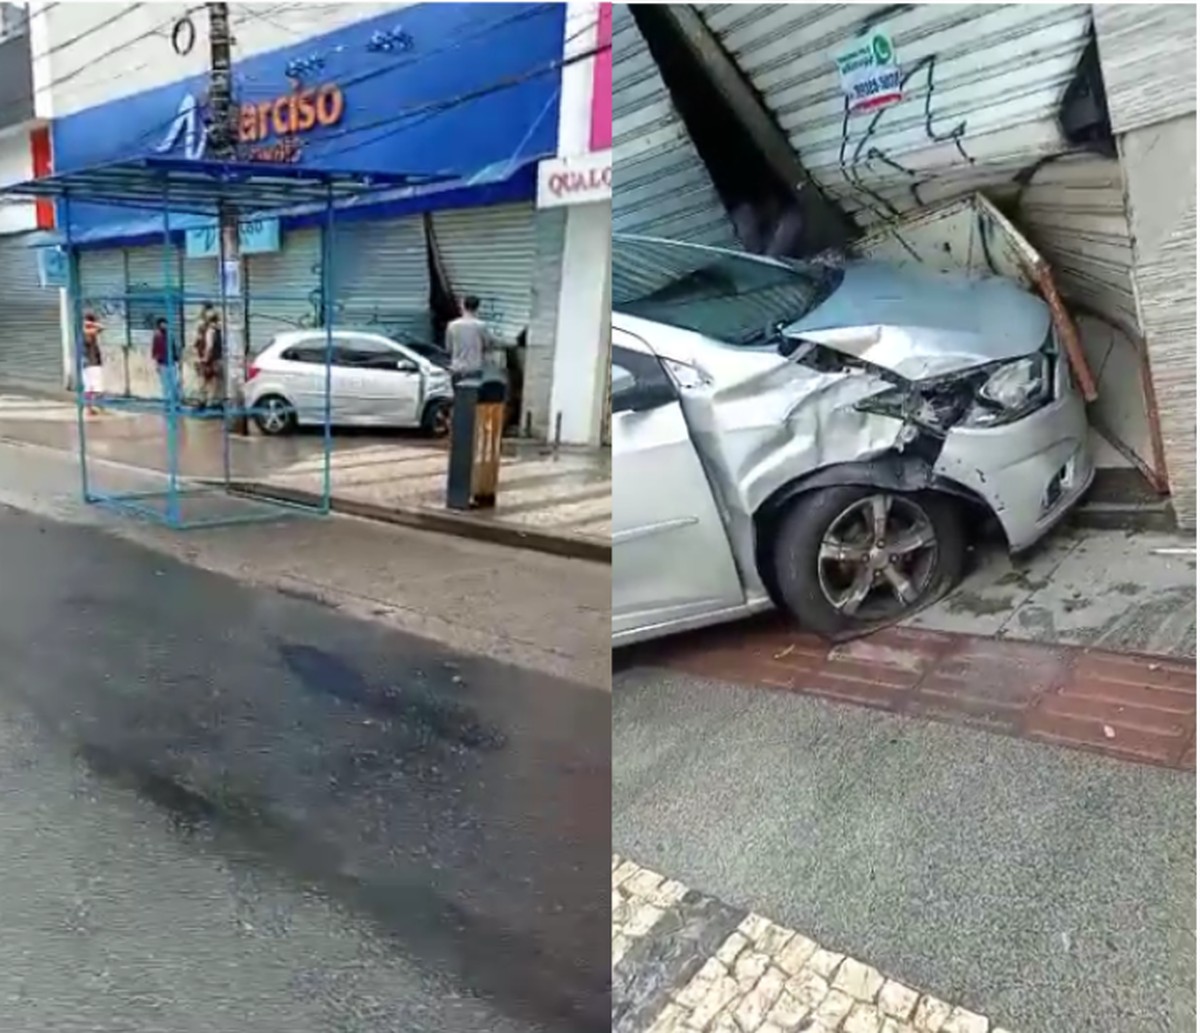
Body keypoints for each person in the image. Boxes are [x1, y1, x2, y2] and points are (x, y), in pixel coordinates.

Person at [445, 295, 498, 385]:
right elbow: (489, 345)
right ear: (477, 308)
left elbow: (448, 348)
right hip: (475, 368)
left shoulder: (452, 325)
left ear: (462, 306)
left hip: (456, 368)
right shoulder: (481, 326)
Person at [199, 309, 225, 410]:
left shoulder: (210, 331)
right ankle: (213, 402)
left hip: (212, 360)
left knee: (206, 381)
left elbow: (209, 346)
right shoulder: (219, 331)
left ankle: (205, 402)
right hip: (218, 359)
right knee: (216, 382)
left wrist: (205, 359)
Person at [80, 311, 104, 415]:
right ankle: (92, 407)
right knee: (94, 386)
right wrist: (90, 323)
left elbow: (100, 328)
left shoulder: (85, 331)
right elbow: (102, 327)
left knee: (90, 387)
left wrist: (88, 323)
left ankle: (91, 407)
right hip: (91, 361)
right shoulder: (86, 332)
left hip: (89, 361)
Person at [151, 317, 178, 403]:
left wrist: (176, 359)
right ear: (159, 325)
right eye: (162, 324)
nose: (164, 326)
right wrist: (157, 363)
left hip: (171, 362)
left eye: (165, 324)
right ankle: (167, 401)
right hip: (162, 363)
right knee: (165, 384)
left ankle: (173, 400)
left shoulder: (170, 334)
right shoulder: (157, 335)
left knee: (173, 383)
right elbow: (155, 350)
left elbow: (174, 347)